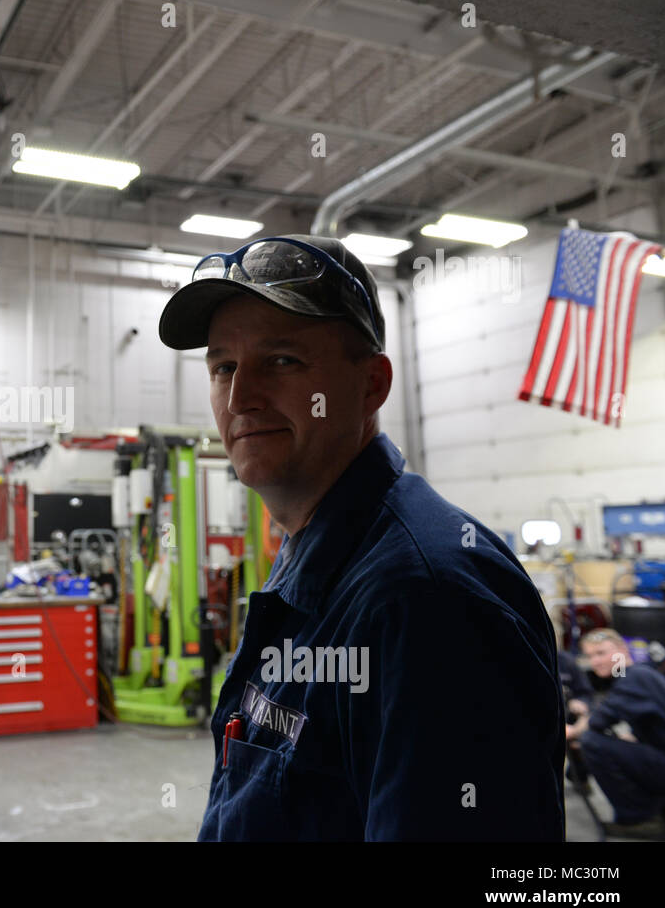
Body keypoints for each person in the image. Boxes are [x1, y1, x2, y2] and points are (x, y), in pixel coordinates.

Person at [159, 234, 564, 840]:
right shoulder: (320, 558)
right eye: (224, 367)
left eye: (282, 361)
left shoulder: (427, 601)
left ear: (371, 385)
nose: (240, 398)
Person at [566, 629, 665, 836]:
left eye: (602, 653)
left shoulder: (634, 678)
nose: (595, 661)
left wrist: (568, 731)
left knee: (592, 742)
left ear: (622, 650)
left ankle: (640, 819)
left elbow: (597, 721)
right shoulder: (638, 674)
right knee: (616, 740)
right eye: (589, 656)